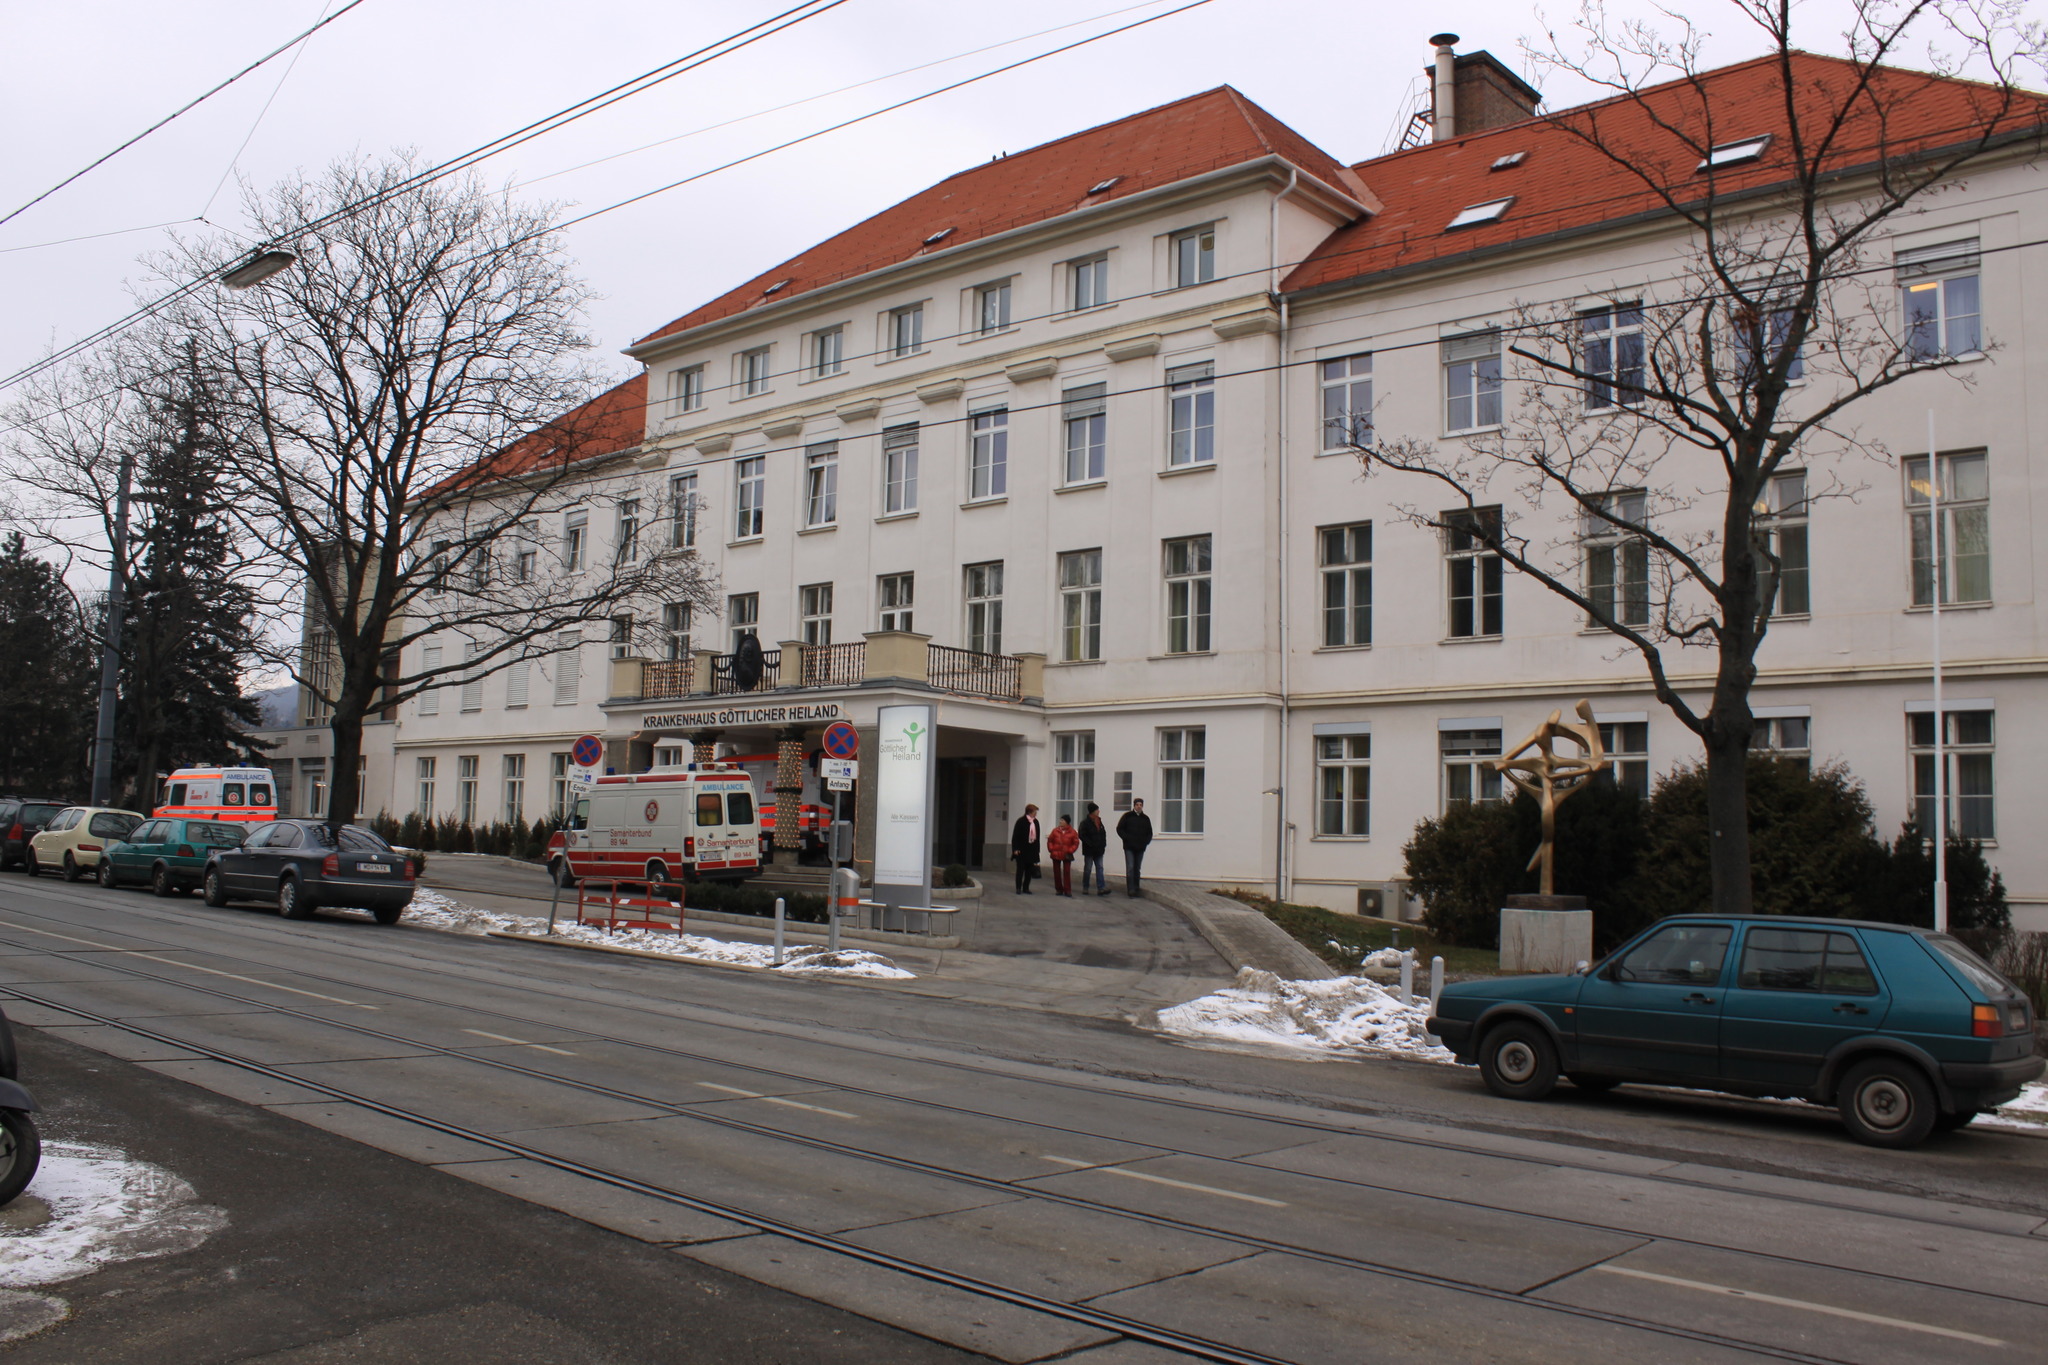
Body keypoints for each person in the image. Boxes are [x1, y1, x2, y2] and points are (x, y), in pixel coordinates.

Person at [1116, 798, 1153, 897]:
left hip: (1140, 847)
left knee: (1137, 868)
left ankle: (1136, 887)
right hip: (1129, 847)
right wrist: (1126, 838)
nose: (1139, 806)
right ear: (1134, 805)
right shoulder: (1127, 816)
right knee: (1130, 867)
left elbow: (1150, 833)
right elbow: (1119, 829)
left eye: (1141, 805)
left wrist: (1146, 842)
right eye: (1137, 804)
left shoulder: (1145, 818)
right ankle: (1131, 889)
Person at [1010, 803, 1042, 894]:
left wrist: (1037, 851)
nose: (1036, 814)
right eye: (1035, 812)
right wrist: (1015, 849)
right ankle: (1018, 888)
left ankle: (1026, 887)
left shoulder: (1036, 822)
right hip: (1021, 850)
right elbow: (1015, 836)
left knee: (1029, 871)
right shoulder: (1021, 821)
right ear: (1029, 812)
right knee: (1020, 870)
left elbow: (1037, 838)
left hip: (1032, 851)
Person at [1078, 802, 1109, 895]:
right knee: (1088, 868)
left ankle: (1101, 888)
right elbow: (1082, 835)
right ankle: (1085, 886)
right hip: (1089, 850)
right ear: (1092, 811)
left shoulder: (1099, 822)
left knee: (1100, 868)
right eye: (1097, 810)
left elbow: (1103, 834)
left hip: (1099, 849)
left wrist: (1103, 844)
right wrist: (1090, 844)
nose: (1098, 811)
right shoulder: (1085, 823)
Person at [1045, 814, 1080, 896]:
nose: (1060, 822)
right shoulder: (1055, 831)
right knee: (1056, 872)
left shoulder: (1072, 832)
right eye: (1060, 820)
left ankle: (1067, 890)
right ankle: (1059, 889)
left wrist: (1070, 850)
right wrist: (1051, 849)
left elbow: (1076, 843)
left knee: (1067, 872)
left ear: (1067, 822)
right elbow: (1050, 840)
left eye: (1062, 820)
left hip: (1067, 854)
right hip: (1056, 853)